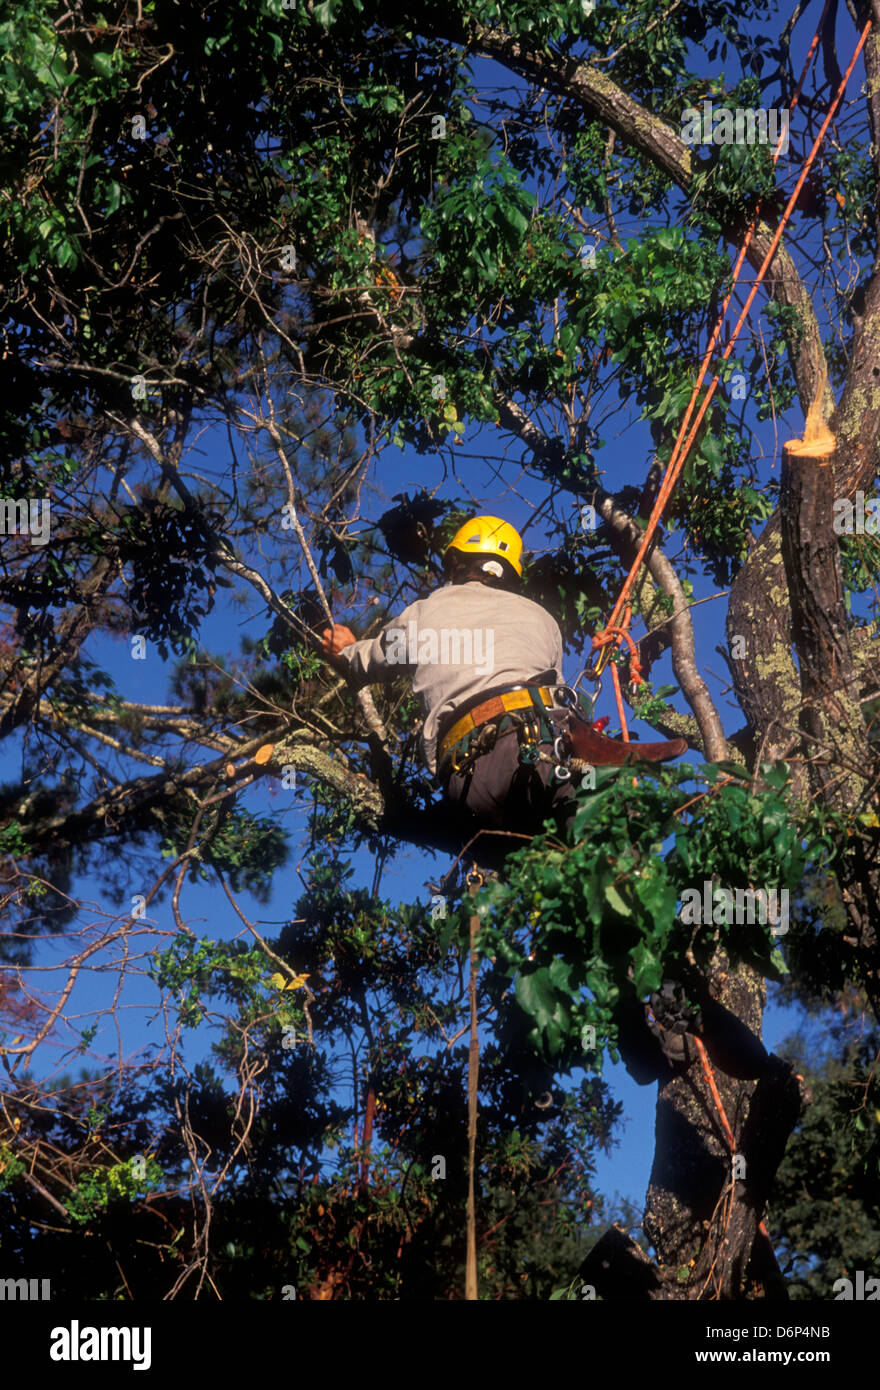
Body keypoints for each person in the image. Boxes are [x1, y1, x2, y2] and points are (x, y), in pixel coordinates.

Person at [321, 514, 685, 864]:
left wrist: (346, 649)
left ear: (458, 564)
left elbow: (370, 661)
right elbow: (554, 693)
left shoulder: (426, 612)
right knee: (610, 859)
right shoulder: (541, 619)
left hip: (468, 784)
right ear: (508, 573)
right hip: (544, 748)